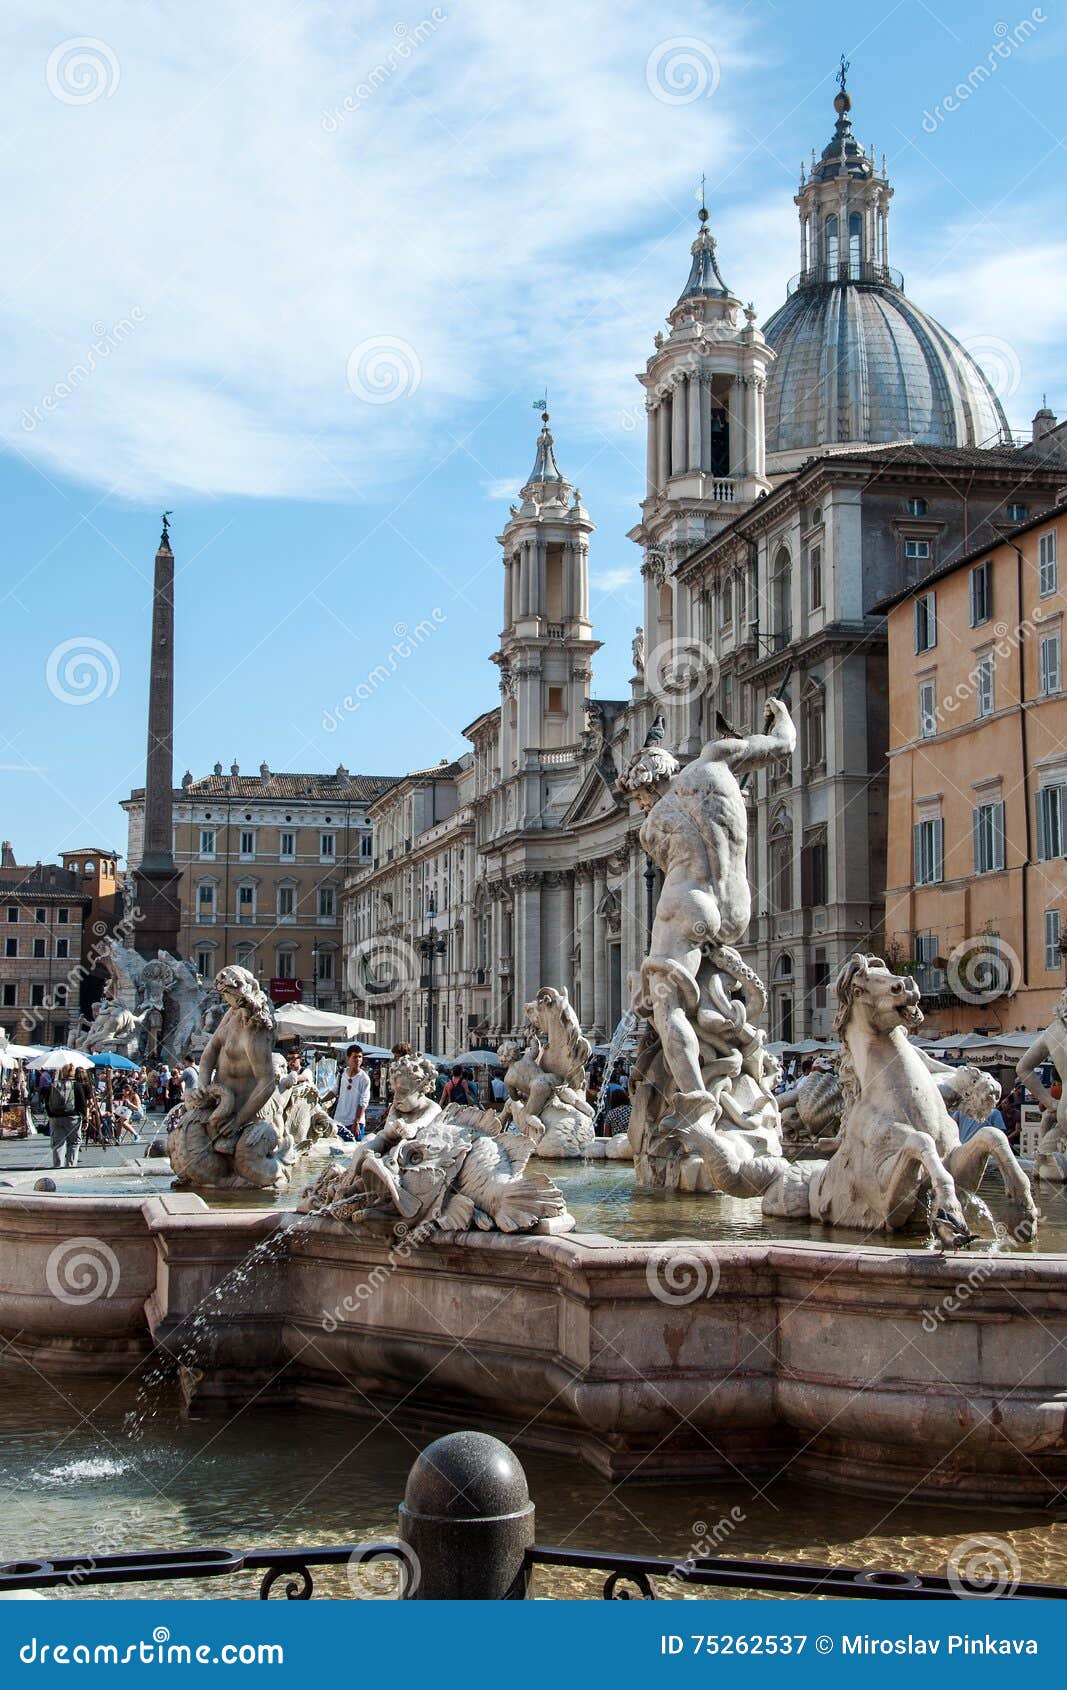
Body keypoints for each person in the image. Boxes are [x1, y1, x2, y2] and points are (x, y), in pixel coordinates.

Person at [45, 1064, 89, 1168]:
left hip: (55, 1118)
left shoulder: (54, 1085)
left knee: (58, 1143)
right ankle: (70, 1166)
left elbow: (47, 1102)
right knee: (74, 1143)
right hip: (73, 1117)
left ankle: (58, 1166)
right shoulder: (77, 1085)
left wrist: (51, 1115)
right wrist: (84, 1119)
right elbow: (82, 1104)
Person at [332, 1045, 370, 1140]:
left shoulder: (364, 1078)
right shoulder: (342, 1074)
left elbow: (364, 1102)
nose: (358, 1060)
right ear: (348, 1058)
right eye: (355, 1057)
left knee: (355, 1147)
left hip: (355, 1123)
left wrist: (356, 1122)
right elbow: (334, 1091)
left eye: (360, 1057)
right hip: (339, 1121)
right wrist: (320, 1100)